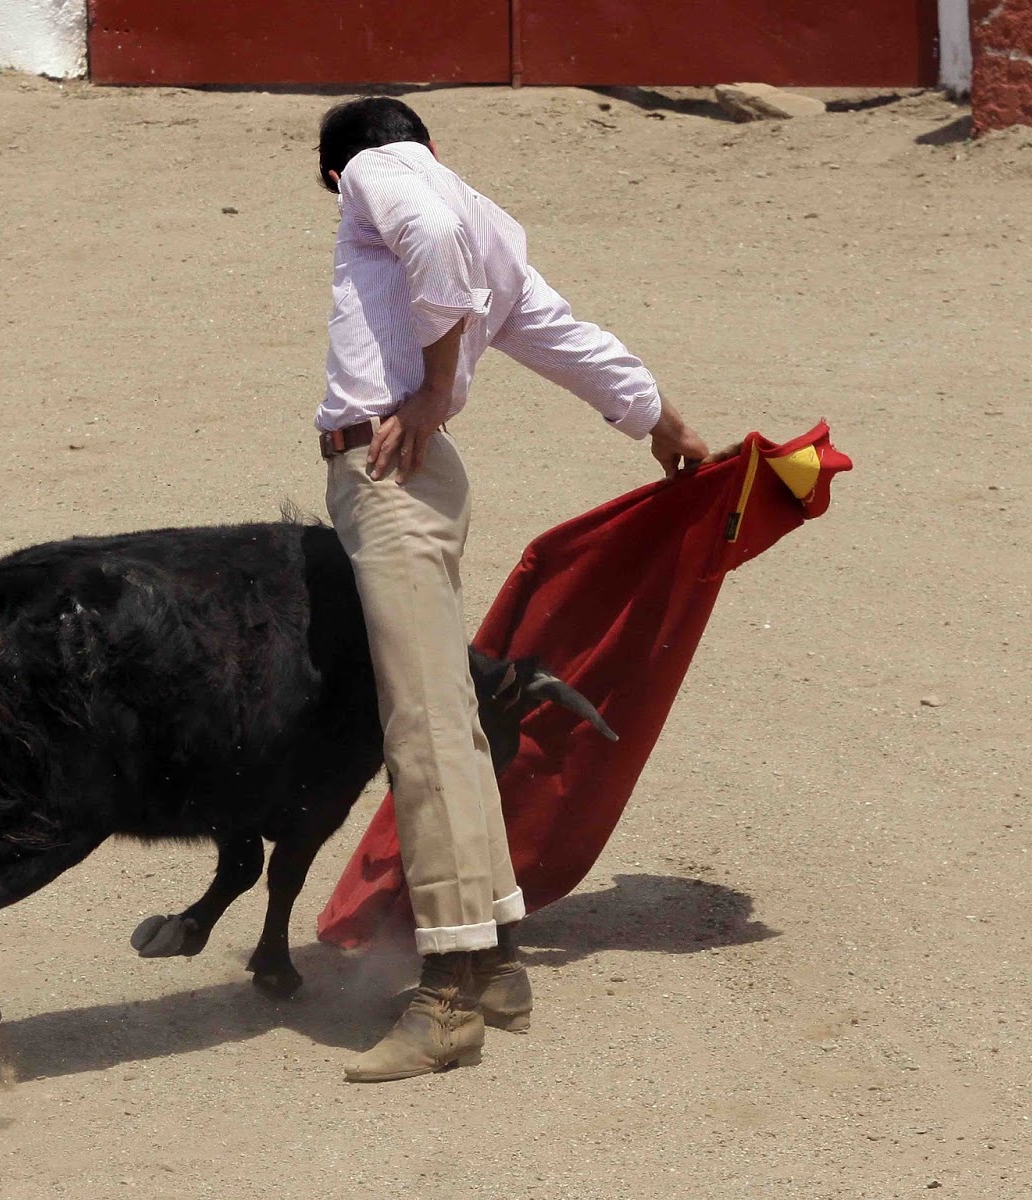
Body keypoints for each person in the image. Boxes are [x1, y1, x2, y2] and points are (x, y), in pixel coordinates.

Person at [314, 97, 714, 1083]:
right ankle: (492, 965)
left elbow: (432, 238)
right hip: (424, 474)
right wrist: (658, 419)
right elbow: (564, 335)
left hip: (391, 467)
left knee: (424, 730)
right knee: (445, 714)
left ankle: (447, 993)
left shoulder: (375, 174)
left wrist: (427, 387)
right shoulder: (490, 223)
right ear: (435, 145)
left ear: (338, 174)